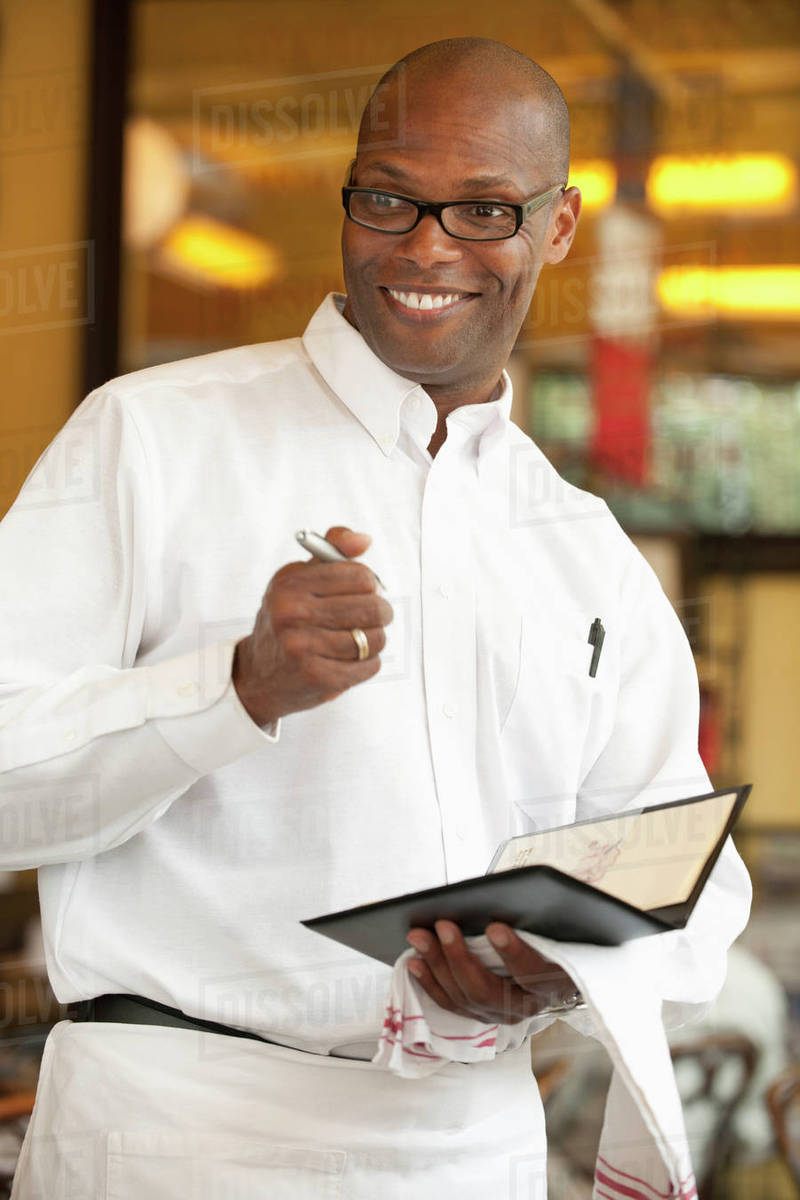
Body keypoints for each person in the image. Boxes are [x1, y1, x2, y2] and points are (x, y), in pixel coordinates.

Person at [1, 37, 750, 1200]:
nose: (425, 248)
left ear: (557, 228)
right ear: (346, 194)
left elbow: (680, 866)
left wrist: (560, 972)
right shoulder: (152, 438)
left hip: (475, 1145)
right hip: (182, 1138)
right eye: (389, 199)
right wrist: (234, 689)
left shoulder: (580, 546)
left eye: (483, 211)